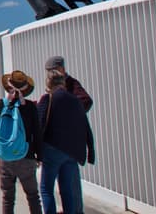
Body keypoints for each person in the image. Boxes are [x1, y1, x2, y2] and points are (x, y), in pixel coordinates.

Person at [37, 69, 95, 214]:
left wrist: (37, 152)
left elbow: (39, 124)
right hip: (71, 153)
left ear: (48, 83)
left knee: (46, 189)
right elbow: (85, 126)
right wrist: (90, 151)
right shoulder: (76, 101)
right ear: (63, 83)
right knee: (67, 189)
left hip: (52, 151)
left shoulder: (47, 99)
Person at [0, 70, 43, 214]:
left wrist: (3, 148)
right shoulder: (30, 107)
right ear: (25, 89)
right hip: (26, 157)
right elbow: (37, 134)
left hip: (5, 158)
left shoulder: (0, 105)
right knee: (33, 196)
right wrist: (39, 156)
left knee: (7, 197)